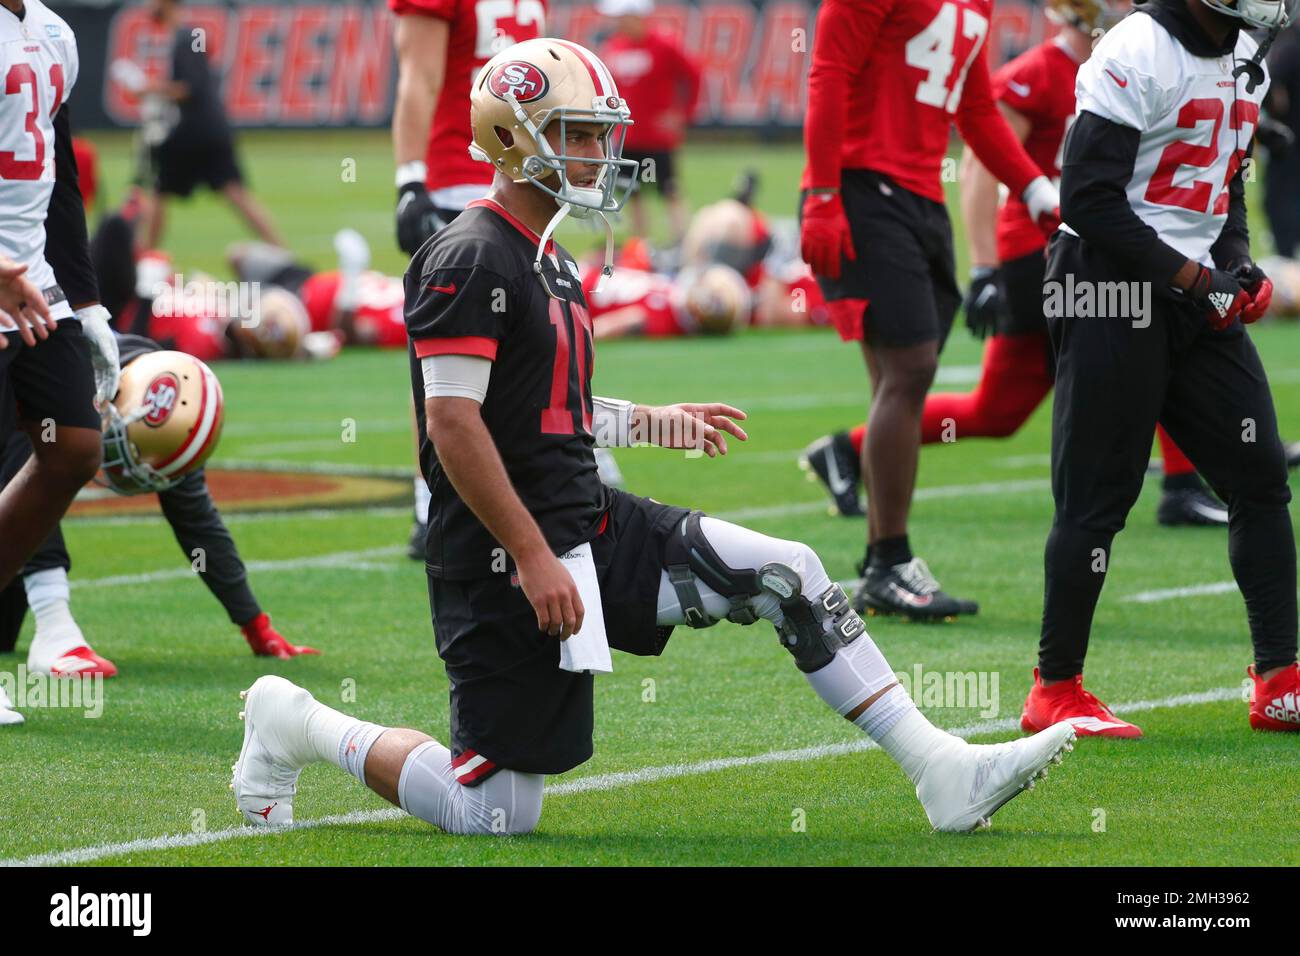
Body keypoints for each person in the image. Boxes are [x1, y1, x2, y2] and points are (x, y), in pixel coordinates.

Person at [231, 38, 1077, 837]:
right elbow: (451, 424)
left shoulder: (549, 254)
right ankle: (294, 720)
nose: (601, 153)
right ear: (512, 135)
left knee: (789, 570)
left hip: (588, 522)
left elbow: (542, 403)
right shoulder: (470, 256)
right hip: (498, 555)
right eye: (579, 134)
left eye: (603, 134)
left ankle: (942, 770)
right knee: (493, 812)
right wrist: (528, 556)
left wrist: (646, 423)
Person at [802, 0, 1235, 531]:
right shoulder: (1041, 71)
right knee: (1151, 317)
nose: (1121, 7)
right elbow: (973, 158)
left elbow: (977, 110)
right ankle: (1186, 476)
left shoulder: (1140, 57)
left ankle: (856, 470)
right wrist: (985, 263)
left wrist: (1037, 193)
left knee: (994, 408)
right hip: (1021, 245)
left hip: (1024, 223)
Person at [1023, 0, 1300, 738]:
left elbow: (1222, 184)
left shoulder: (1247, 55)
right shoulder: (1137, 47)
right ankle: (1054, 687)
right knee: (1095, 498)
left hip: (1187, 285)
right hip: (1108, 284)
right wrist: (1191, 277)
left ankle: (1280, 677)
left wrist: (1234, 263)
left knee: (1259, 473)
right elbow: (1088, 199)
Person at [799, 0, 1063, 621]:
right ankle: (889, 559)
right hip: (863, 186)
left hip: (919, 197)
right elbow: (828, 73)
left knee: (904, 376)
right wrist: (822, 193)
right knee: (909, 368)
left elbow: (973, 109)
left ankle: (881, 561)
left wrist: (1032, 188)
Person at [0, 338, 315, 711]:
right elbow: (32, 479)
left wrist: (254, 624)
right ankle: (54, 626)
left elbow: (197, 521)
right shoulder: (59, 367)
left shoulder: (163, 407)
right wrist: (55, 618)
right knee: (38, 462)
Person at [390, 0, 547, 559]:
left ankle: (547, 481)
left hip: (526, 175)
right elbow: (420, 72)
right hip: (458, 182)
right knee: (447, 356)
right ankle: (430, 500)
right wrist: (411, 178)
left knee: (537, 339)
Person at [0, 0, 120, 598]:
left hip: (34, 283)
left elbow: (60, 174)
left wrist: (89, 300)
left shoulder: (53, 31)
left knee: (72, 447)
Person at [138, 0, 282, 251]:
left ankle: (145, 259)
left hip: (196, 131)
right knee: (235, 193)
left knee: (160, 192)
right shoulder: (189, 36)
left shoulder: (187, 37)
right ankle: (281, 251)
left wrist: (152, 88)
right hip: (208, 128)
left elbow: (190, 87)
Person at [598, 0, 701, 244]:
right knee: (631, 193)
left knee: (670, 190)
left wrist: (684, 114)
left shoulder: (664, 45)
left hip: (657, 139)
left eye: (622, 16)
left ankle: (681, 241)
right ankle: (641, 245)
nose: (618, 22)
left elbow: (694, 75)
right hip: (627, 136)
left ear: (636, 16)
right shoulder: (614, 47)